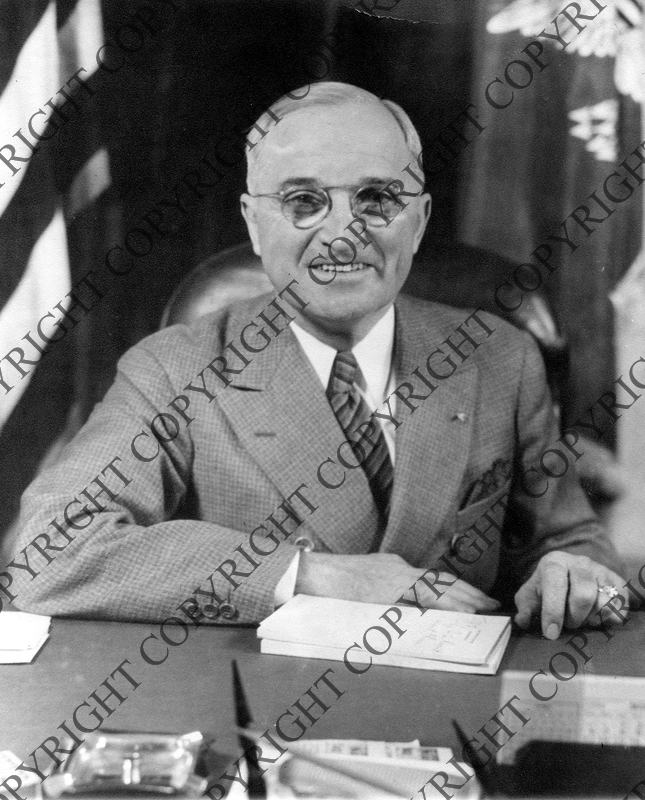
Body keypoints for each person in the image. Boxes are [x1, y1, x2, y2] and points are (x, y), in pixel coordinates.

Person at [9, 82, 627, 640]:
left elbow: (571, 542)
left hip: (455, 722)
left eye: (377, 198)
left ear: (419, 221)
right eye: (303, 200)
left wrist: (568, 574)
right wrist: (311, 576)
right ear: (254, 225)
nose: (342, 234)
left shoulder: (500, 358)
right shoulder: (174, 371)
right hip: (260, 726)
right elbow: (49, 552)